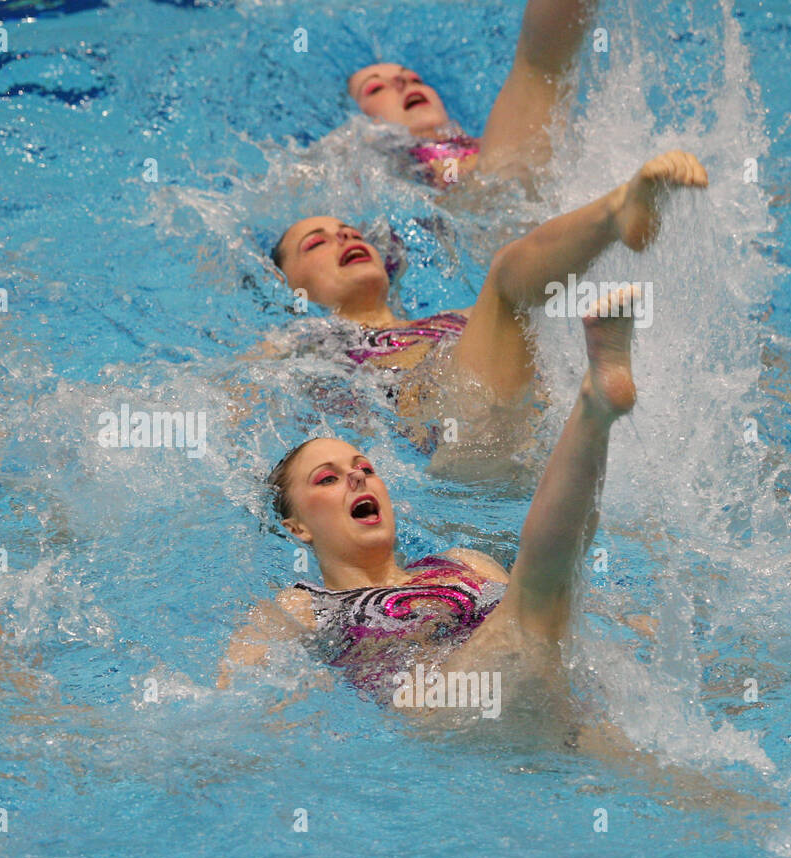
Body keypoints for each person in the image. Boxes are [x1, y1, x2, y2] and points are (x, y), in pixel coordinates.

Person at [222, 282, 640, 734]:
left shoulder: (463, 562)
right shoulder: (302, 606)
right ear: (298, 526)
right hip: (443, 706)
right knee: (539, 589)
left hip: (538, 694)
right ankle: (595, 407)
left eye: (364, 466)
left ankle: (596, 406)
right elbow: (235, 698)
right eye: (327, 478)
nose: (358, 477)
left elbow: (579, 616)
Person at [266, 151, 707, 475]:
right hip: (458, 451)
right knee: (504, 282)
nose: (344, 238)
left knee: (527, 297)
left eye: (348, 231)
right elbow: (228, 398)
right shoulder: (299, 341)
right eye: (317, 243)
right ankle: (616, 213)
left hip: (538, 451)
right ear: (287, 285)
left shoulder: (463, 315)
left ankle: (601, 398)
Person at [347, 0, 597, 188]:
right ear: (363, 120)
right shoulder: (393, 170)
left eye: (415, 79)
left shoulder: (479, 143)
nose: (403, 81)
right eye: (375, 88)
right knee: (540, 68)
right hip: (491, 216)